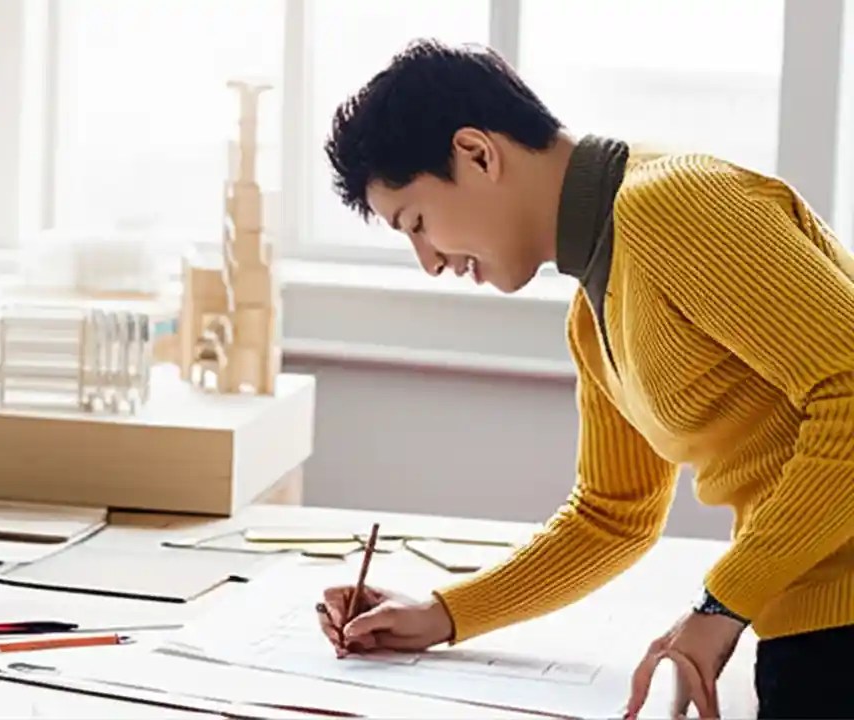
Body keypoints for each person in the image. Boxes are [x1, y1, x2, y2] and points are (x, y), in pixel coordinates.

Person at [316, 38, 854, 719]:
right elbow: (612, 515)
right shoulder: (593, 304)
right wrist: (442, 614)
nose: (430, 261)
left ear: (478, 153)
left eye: (418, 223)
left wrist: (721, 604)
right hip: (806, 623)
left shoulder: (672, 204)